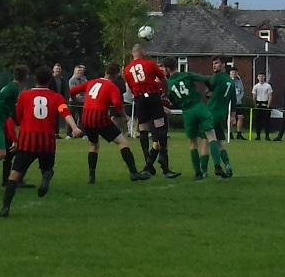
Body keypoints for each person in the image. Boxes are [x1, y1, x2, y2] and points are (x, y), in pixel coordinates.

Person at [0, 71, 84, 217]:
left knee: (15, 175)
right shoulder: (56, 97)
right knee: (47, 168)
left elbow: (17, 116)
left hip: (27, 141)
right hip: (47, 142)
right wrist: (74, 127)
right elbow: (65, 111)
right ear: (50, 81)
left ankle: (5, 207)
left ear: (35, 80)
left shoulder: (25, 95)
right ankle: (46, 175)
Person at [70, 63, 152, 183]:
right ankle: (134, 173)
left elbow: (72, 90)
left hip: (86, 118)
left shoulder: (92, 82)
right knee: (122, 142)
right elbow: (117, 103)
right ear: (116, 75)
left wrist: (77, 100)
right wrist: (125, 116)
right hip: (99, 117)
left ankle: (91, 177)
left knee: (94, 145)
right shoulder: (112, 87)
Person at [165, 62, 230, 179]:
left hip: (187, 112)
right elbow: (204, 79)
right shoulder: (187, 74)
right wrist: (210, 89)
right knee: (211, 136)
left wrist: (179, 104)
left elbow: (171, 98)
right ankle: (217, 166)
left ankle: (198, 173)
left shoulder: (168, 84)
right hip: (199, 106)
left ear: (168, 68)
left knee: (193, 143)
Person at [124, 46, 178, 177]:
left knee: (143, 128)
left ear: (132, 54)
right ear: (143, 53)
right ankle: (163, 159)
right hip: (153, 96)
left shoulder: (127, 69)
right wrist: (165, 92)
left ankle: (148, 158)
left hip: (139, 98)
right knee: (160, 126)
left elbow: (130, 87)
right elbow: (163, 79)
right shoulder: (150, 64)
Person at [207, 59, 240, 150]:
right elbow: (233, 100)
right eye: (213, 63)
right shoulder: (231, 81)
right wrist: (233, 116)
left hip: (212, 111)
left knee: (207, 140)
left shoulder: (216, 76)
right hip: (222, 114)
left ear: (223, 64)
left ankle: (206, 163)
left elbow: (208, 90)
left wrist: (208, 93)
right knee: (219, 141)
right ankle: (227, 163)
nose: (214, 65)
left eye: (216, 63)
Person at [251, 73, 274, 141]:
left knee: (267, 122)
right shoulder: (256, 86)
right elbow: (254, 97)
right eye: (259, 76)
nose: (261, 78)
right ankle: (258, 136)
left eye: (262, 76)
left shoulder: (268, 86)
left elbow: (270, 96)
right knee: (257, 122)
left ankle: (267, 136)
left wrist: (268, 105)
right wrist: (255, 105)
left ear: (264, 77)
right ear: (257, 77)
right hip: (258, 105)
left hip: (265, 105)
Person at [228, 66, 247, 139]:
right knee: (231, 118)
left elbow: (242, 91)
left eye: (235, 72)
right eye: (232, 72)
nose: (234, 73)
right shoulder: (228, 80)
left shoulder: (239, 80)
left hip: (238, 101)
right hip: (230, 102)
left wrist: (239, 99)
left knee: (240, 117)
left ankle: (239, 133)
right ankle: (230, 133)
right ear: (230, 73)